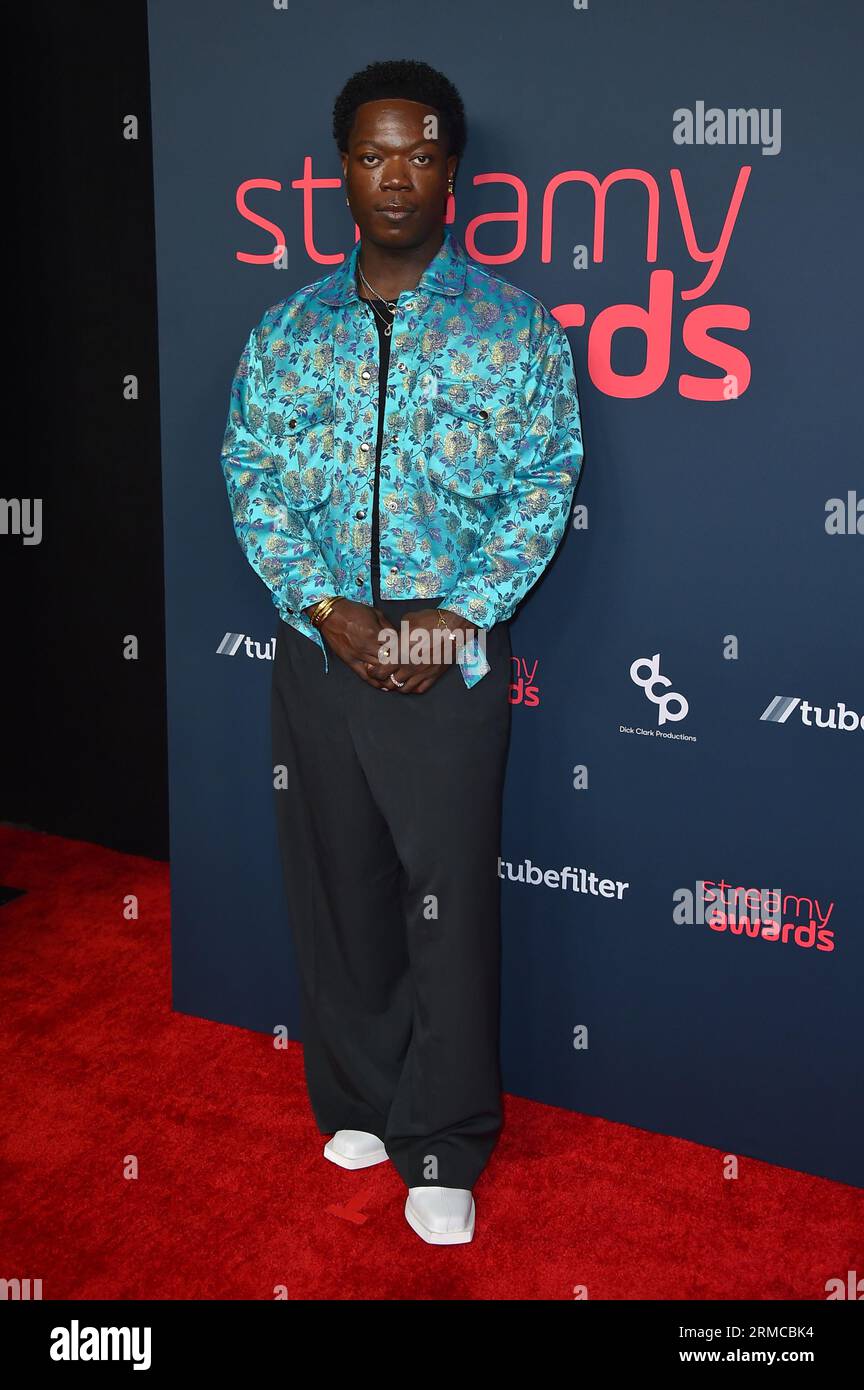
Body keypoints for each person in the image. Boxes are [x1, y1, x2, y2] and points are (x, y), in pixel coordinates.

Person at [220, 59, 584, 1245]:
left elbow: (545, 482)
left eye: (420, 154)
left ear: (452, 170)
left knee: (445, 906)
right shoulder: (286, 332)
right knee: (345, 892)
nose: (397, 176)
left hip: (448, 661)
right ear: (341, 170)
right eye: (374, 154)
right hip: (321, 651)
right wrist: (328, 608)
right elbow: (252, 475)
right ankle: (364, 1098)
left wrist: (455, 614)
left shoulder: (513, 327)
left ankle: (444, 1137)